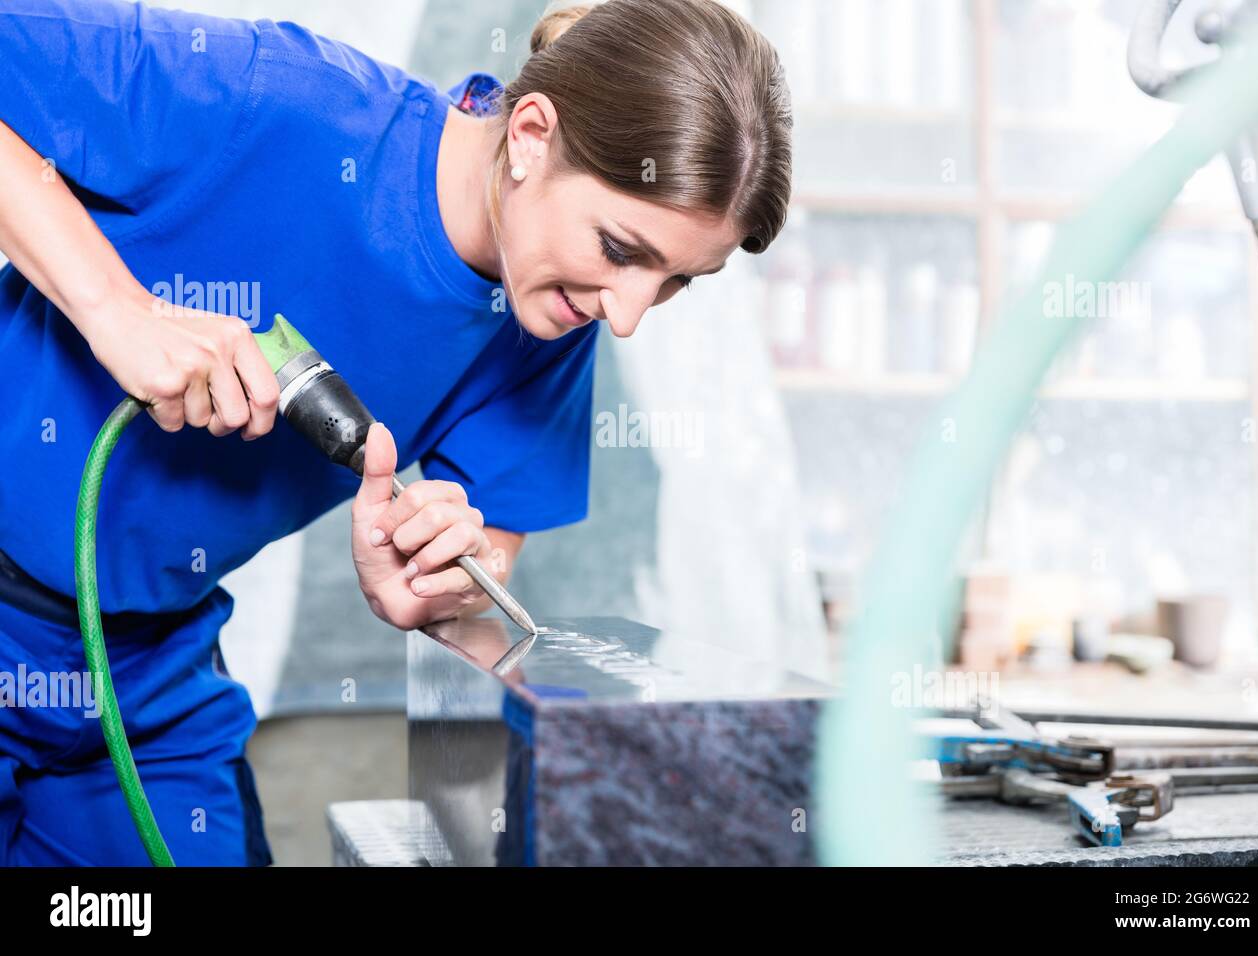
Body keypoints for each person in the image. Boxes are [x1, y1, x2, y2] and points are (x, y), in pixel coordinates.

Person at [0, 0, 792, 865]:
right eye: (620, 247)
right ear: (530, 135)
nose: (630, 315)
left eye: (679, 280)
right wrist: (116, 312)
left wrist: (440, 588)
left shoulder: (550, 325)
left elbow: (482, 592)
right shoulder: (275, 98)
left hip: (148, 666)